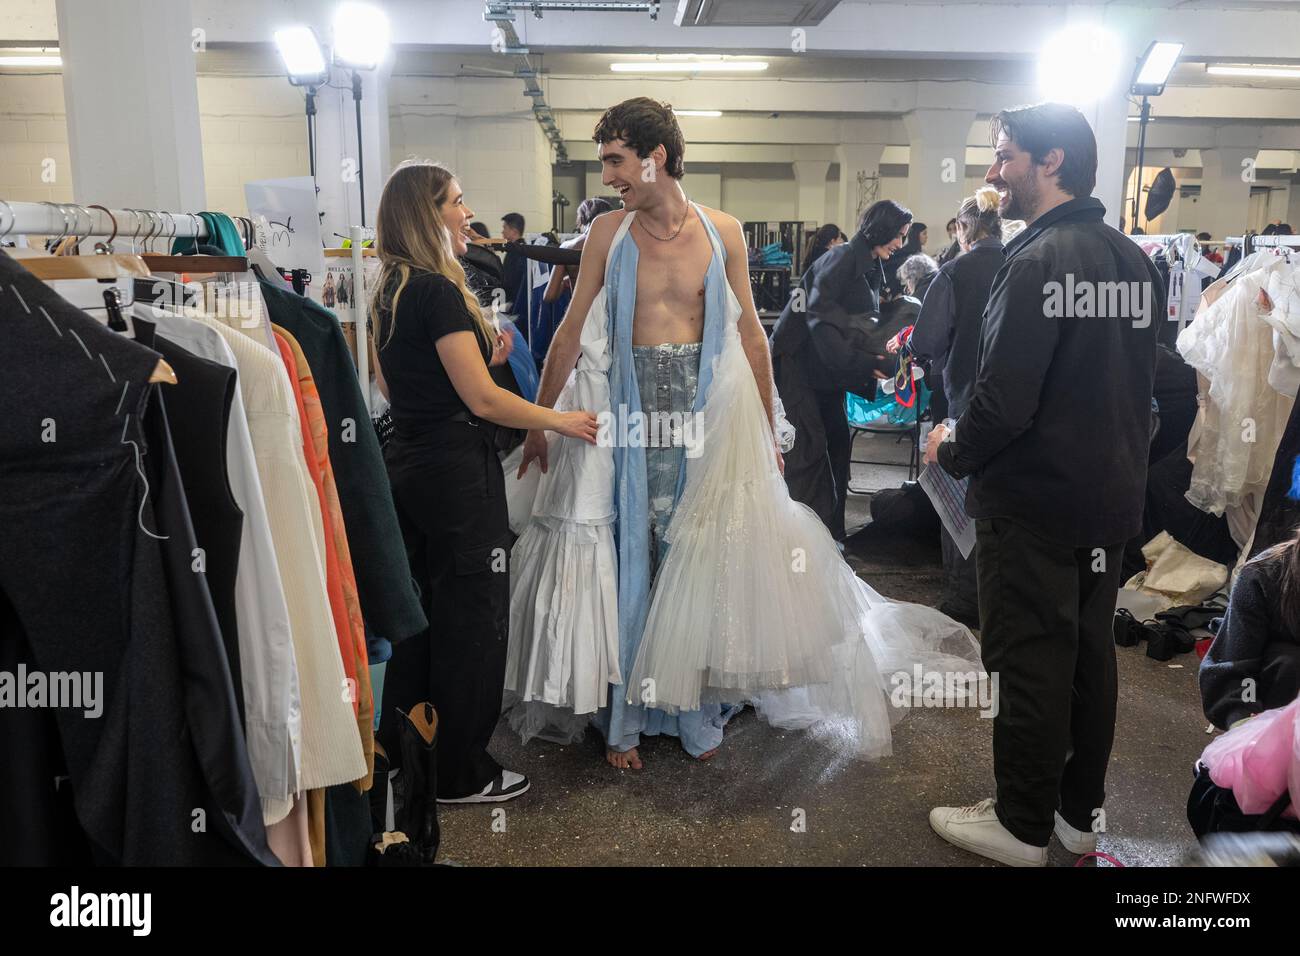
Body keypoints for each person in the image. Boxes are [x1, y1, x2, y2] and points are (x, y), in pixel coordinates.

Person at [506, 97, 979, 770]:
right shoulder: (607, 234)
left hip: (705, 417)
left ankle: (691, 704)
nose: (607, 176)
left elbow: (751, 333)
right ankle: (628, 717)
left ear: (654, 157)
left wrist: (766, 422)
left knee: (695, 553)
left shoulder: (722, 230)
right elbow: (568, 332)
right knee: (630, 548)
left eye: (614, 160)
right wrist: (541, 420)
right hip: (628, 414)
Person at [924, 103, 1163, 865]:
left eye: (1005, 156)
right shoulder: (1133, 260)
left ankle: (1021, 825)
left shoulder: (1032, 262)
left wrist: (950, 446)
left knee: (1029, 659)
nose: (995, 174)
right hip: (1109, 499)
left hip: (1032, 504)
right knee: (1090, 660)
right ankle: (1075, 818)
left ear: (1051, 161)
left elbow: (1002, 403)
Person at [370, 160, 598, 804]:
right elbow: (484, 402)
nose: (467, 213)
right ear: (428, 214)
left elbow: (393, 386)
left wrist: (483, 357)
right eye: (457, 202)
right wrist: (559, 419)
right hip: (456, 474)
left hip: (408, 465)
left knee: (421, 619)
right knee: (473, 620)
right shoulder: (439, 292)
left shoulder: (390, 285)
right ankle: (463, 773)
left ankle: (412, 756)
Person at [895, 186, 1005, 627]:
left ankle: (964, 599)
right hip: (1019, 404)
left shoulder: (956, 273)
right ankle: (1000, 598)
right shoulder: (1024, 262)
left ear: (963, 228)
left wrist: (908, 347)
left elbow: (927, 341)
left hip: (965, 401)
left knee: (960, 500)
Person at [771, 199, 911, 540]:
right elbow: (821, 321)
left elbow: (854, 322)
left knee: (835, 447)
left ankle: (830, 540)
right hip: (797, 368)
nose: (901, 244)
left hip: (822, 373)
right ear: (883, 228)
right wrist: (867, 363)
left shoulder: (866, 262)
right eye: (899, 235)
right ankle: (805, 543)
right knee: (810, 456)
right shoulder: (843, 258)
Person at [1199, 529, 1300, 731]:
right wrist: (1245, 721)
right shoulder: (1263, 575)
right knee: (1287, 662)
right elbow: (1237, 668)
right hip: (1276, 709)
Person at [543, 197, 613, 303]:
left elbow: (549, 296)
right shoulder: (616, 244)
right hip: (610, 314)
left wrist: (568, 280)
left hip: (579, 315)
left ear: (582, 219)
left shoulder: (567, 247)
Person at [885, 220, 927, 296]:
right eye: (924, 233)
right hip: (900, 292)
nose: (926, 236)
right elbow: (894, 273)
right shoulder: (905, 254)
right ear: (916, 235)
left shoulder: (919, 253)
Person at [501, 212, 527, 311]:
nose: (502, 232)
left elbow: (510, 281)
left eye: (504, 228)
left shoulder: (515, 253)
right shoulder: (523, 249)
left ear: (514, 231)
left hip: (514, 305)